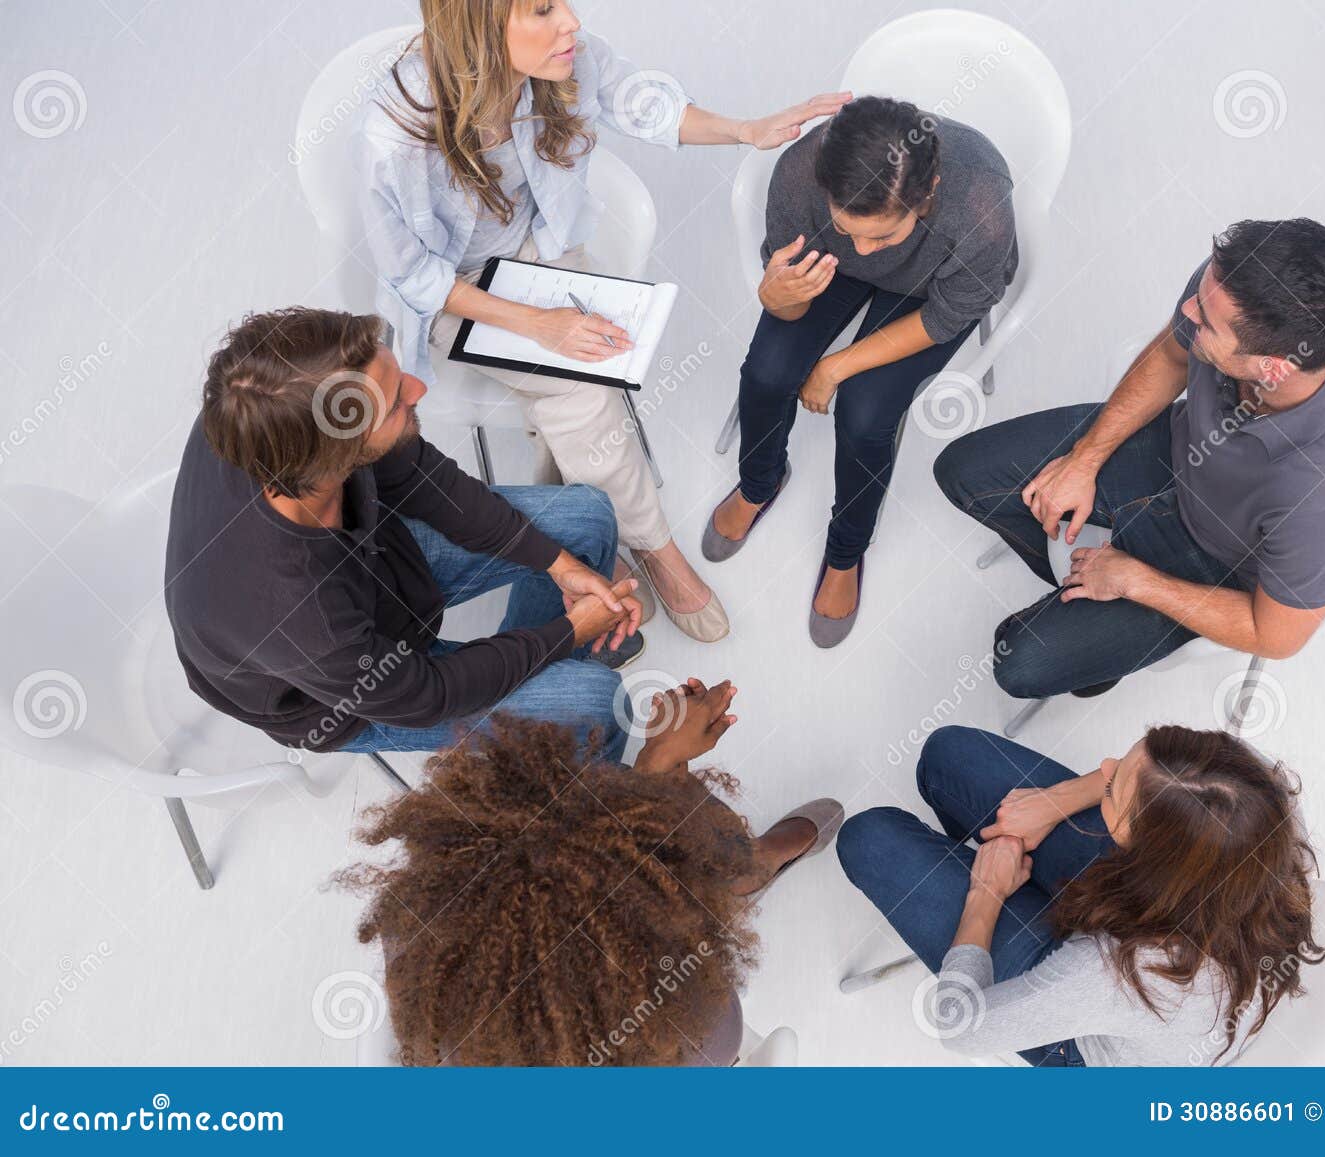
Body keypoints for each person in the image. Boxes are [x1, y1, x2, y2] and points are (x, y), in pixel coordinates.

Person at [357, 0, 851, 643]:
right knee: (585, 387)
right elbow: (412, 274)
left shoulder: (559, 57)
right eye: (542, 10)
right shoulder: (397, 132)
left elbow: (640, 102)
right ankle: (653, 546)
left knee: (580, 385)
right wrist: (539, 324)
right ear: (480, 25)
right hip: (459, 292)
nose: (570, 21)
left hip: (541, 247)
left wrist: (748, 130)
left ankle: (582, 529)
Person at [935, 219, 1325, 702]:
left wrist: (1136, 581)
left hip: (1217, 562)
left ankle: (1088, 641)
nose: (1188, 310)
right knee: (962, 472)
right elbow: (1172, 357)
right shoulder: (1230, 286)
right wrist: (1084, 460)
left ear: (1272, 368)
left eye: (1206, 322)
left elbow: (1276, 635)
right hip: (1173, 448)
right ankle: (1080, 607)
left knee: (1018, 663)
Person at [164, 306, 643, 764]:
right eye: (396, 402)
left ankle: (538, 665)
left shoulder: (270, 400)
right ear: (335, 455)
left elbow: (417, 474)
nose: (419, 388)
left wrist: (560, 568)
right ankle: (559, 750)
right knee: (599, 703)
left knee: (586, 518)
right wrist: (566, 634)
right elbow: (429, 693)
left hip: (376, 561)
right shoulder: (300, 619)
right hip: (351, 698)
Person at [338, 679, 843, 1066]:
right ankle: (749, 866)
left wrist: (652, 778)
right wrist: (658, 774)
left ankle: (718, 851)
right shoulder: (701, 1035)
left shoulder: (425, 937)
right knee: (694, 849)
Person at [702, 96, 1017, 647]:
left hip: (927, 293)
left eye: (884, 236)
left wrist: (835, 367)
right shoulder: (801, 173)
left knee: (866, 415)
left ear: (929, 191)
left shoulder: (980, 203)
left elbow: (946, 317)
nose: (866, 250)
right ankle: (759, 482)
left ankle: (845, 551)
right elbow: (790, 307)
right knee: (767, 372)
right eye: (849, 229)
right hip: (828, 271)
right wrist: (775, 297)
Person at [837, 724, 1323, 1066]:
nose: (1105, 767)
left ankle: (974, 882)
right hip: (1148, 911)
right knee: (948, 754)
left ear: (1150, 851)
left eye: (1115, 790)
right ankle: (969, 868)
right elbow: (1133, 774)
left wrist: (985, 894)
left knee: (868, 840)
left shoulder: (1124, 975)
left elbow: (961, 1026)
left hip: (1094, 1028)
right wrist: (1055, 801)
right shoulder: (1248, 796)